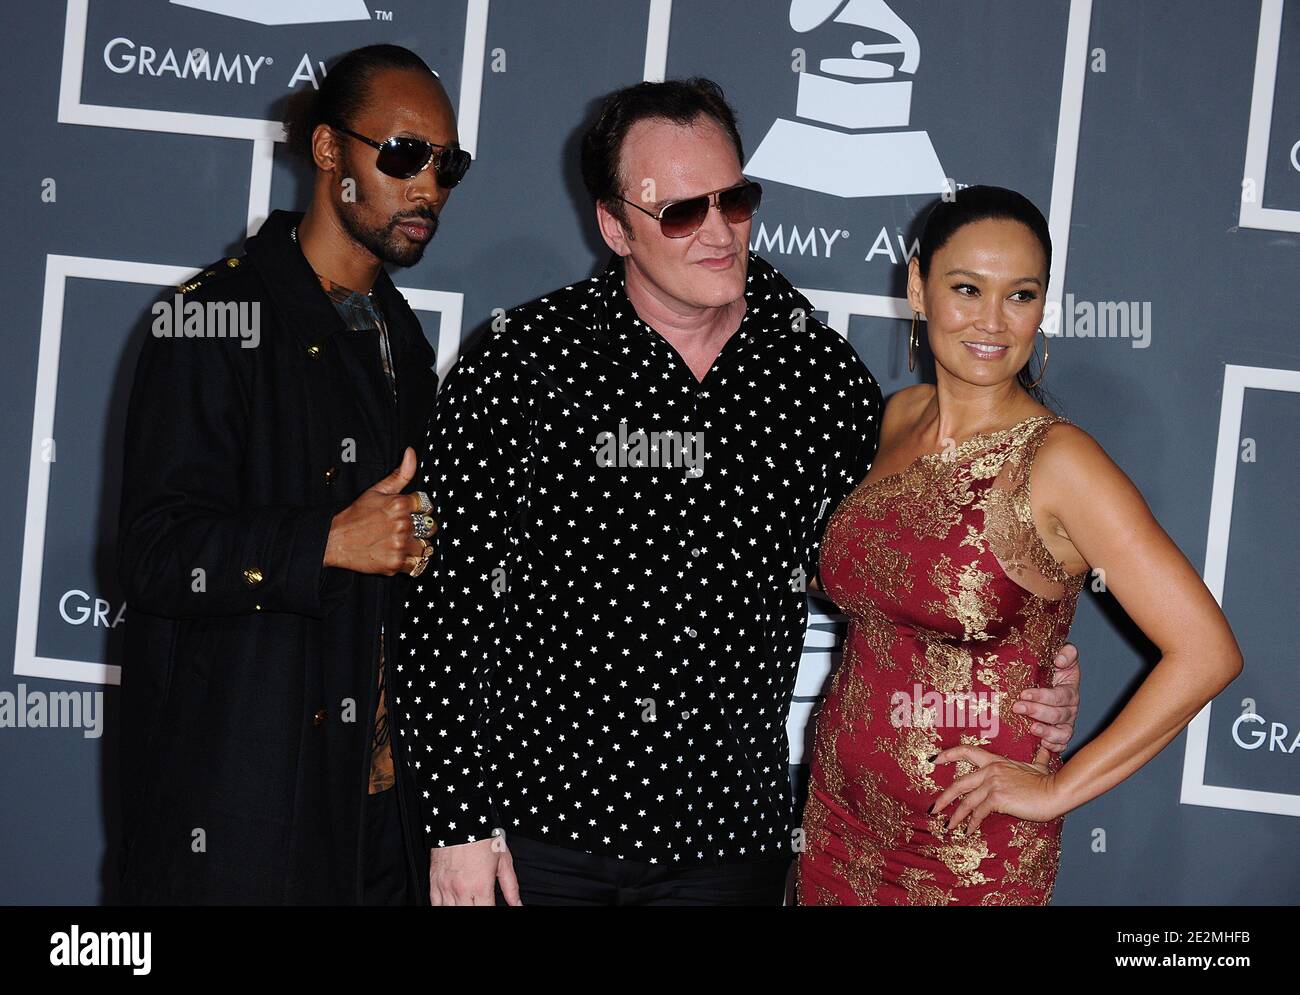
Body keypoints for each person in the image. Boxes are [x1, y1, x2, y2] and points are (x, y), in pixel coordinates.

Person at [395, 80, 1081, 907]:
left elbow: (899, 564)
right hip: (535, 834)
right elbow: (443, 602)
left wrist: (1014, 667)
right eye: (682, 212)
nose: (720, 232)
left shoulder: (818, 377)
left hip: (729, 845)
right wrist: (458, 823)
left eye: (736, 199)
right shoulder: (524, 364)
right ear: (615, 226)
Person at [795, 186, 1244, 905]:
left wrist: (1059, 788)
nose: (993, 322)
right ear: (918, 285)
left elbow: (1207, 650)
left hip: (969, 850)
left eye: (1021, 294)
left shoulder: (1058, 462)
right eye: (967, 288)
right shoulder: (899, 416)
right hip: (836, 824)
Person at [116, 44, 470, 904]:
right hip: (248, 816)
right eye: (402, 155)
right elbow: (154, 553)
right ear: (327, 153)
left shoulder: (403, 341)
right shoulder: (211, 318)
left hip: (380, 817)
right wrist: (327, 540)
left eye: (448, 164)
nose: (428, 186)